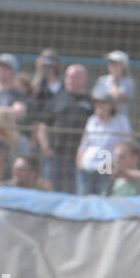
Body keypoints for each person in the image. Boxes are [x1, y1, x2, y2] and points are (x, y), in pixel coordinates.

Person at [35, 63, 93, 191]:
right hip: (55, 156)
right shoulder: (57, 99)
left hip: (78, 158)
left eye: (73, 77)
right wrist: (45, 147)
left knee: (76, 192)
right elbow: (42, 124)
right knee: (51, 191)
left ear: (84, 79)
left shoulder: (91, 102)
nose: (69, 79)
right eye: (68, 76)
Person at [75, 96, 130, 195]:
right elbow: (83, 145)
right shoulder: (92, 120)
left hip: (107, 168)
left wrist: (119, 166)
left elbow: (126, 144)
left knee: (101, 199)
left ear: (110, 106)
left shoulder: (121, 121)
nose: (98, 106)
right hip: (87, 166)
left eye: (102, 103)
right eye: (97, 103)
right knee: (83, 199)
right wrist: (79, 165)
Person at [91, 50, 136, 122]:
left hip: (120, 120)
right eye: (110, 62)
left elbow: (118, 97)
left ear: (124, 66)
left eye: (115, 63)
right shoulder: (102, 80)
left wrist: (115, 80)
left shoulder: (129, 82)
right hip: (101, 120)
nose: (111, 65)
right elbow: (96, 98)